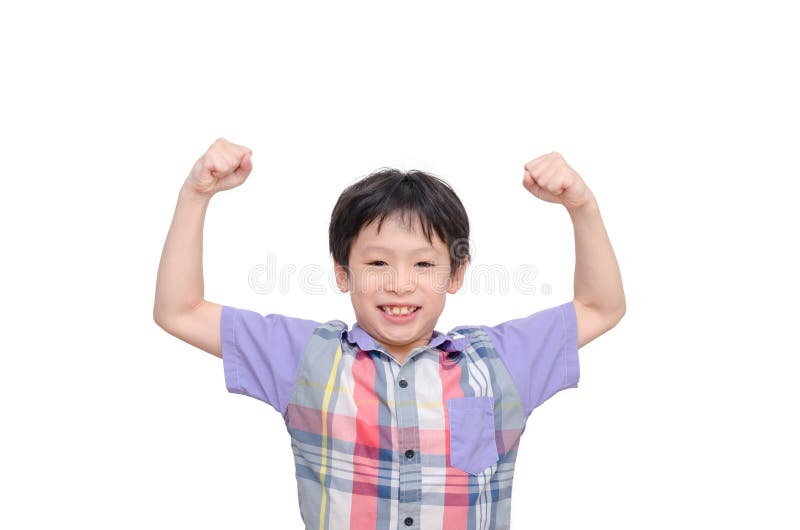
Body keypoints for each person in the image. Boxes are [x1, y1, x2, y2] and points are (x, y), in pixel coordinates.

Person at [153, 137, 626, 530]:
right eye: (377, 262)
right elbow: (180, 310)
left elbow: (600, 307)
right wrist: (195, 196)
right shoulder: (307, 358)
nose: (400, 283)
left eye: (424, 263)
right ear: (343, 273)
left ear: (456, 274)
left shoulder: (498, 362)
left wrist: (580, 205)